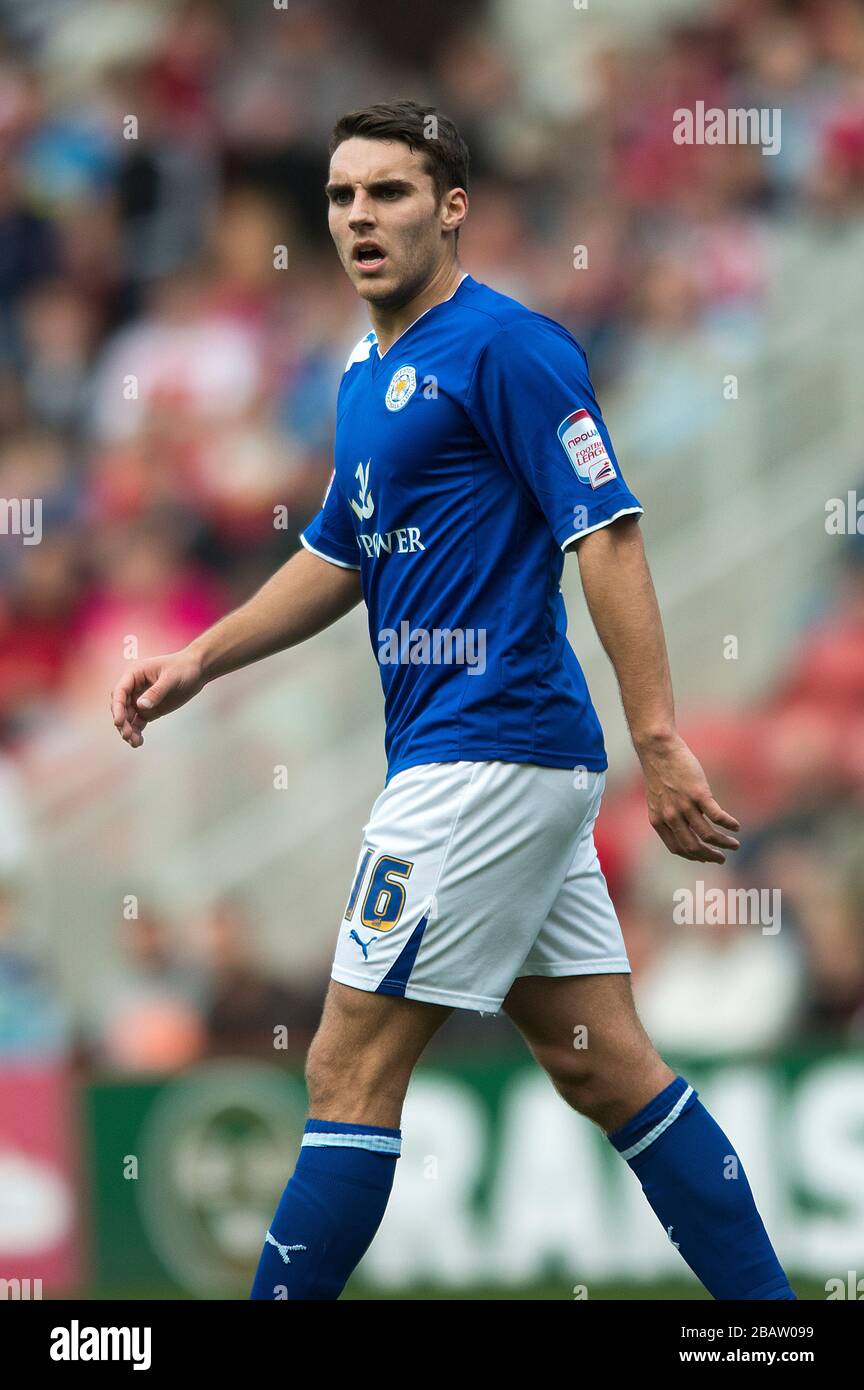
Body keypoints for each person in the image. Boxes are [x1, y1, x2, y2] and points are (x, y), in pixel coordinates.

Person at [110, 101, 795, 1301]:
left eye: (390, 193)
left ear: (452, 207)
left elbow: (609, 532)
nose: (360, 218)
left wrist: (660, 737)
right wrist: (200, 659)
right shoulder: (368, 372)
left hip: (486, 752)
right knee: (609, 1070)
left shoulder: (510, 348)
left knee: (345, 1068)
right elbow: (338, 552)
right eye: (340, 197)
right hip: (485, 758)